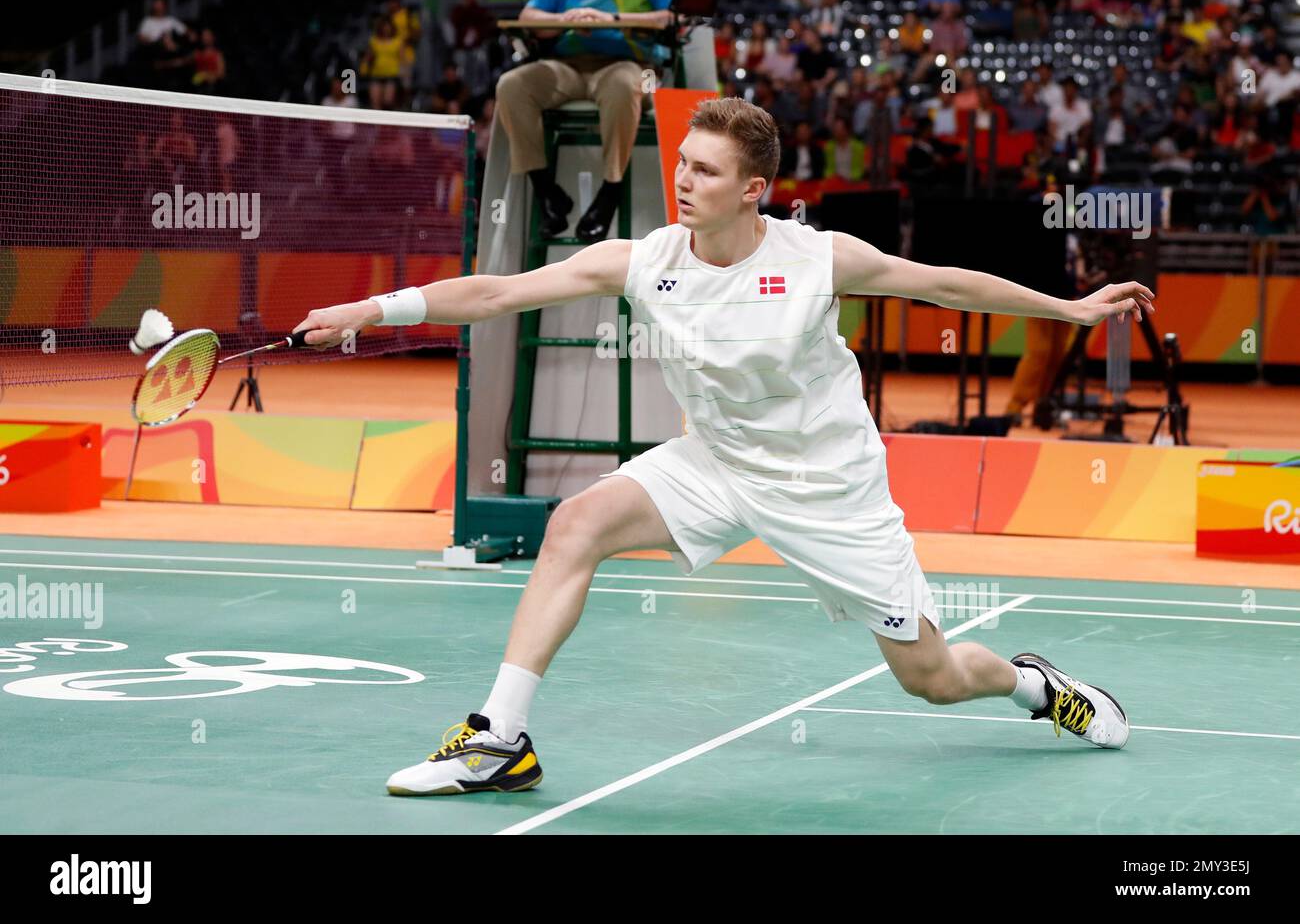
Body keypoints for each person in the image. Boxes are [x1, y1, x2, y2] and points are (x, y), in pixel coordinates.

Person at [295, 97, 1145, 795]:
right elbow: (499, 291)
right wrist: (373, 312)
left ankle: (1037, 686)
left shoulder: (817, 259)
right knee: (574, 526)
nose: (683, 179)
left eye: (705, 169)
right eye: (682, 163)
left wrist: (1069, 309)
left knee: (932, 676)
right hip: (718, 463)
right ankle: (498, 739)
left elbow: (945, 282)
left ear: (754, 190)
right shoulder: (647, 259)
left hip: (830, 490)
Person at [496, 0, 677, 243]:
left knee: (624, 85)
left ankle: (608, 194)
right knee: (512, 85)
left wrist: (609, 20)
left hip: (635, 68)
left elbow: (671, 16)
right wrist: (569, 17)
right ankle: (548, 194)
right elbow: (531, 17)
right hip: (570, 67)